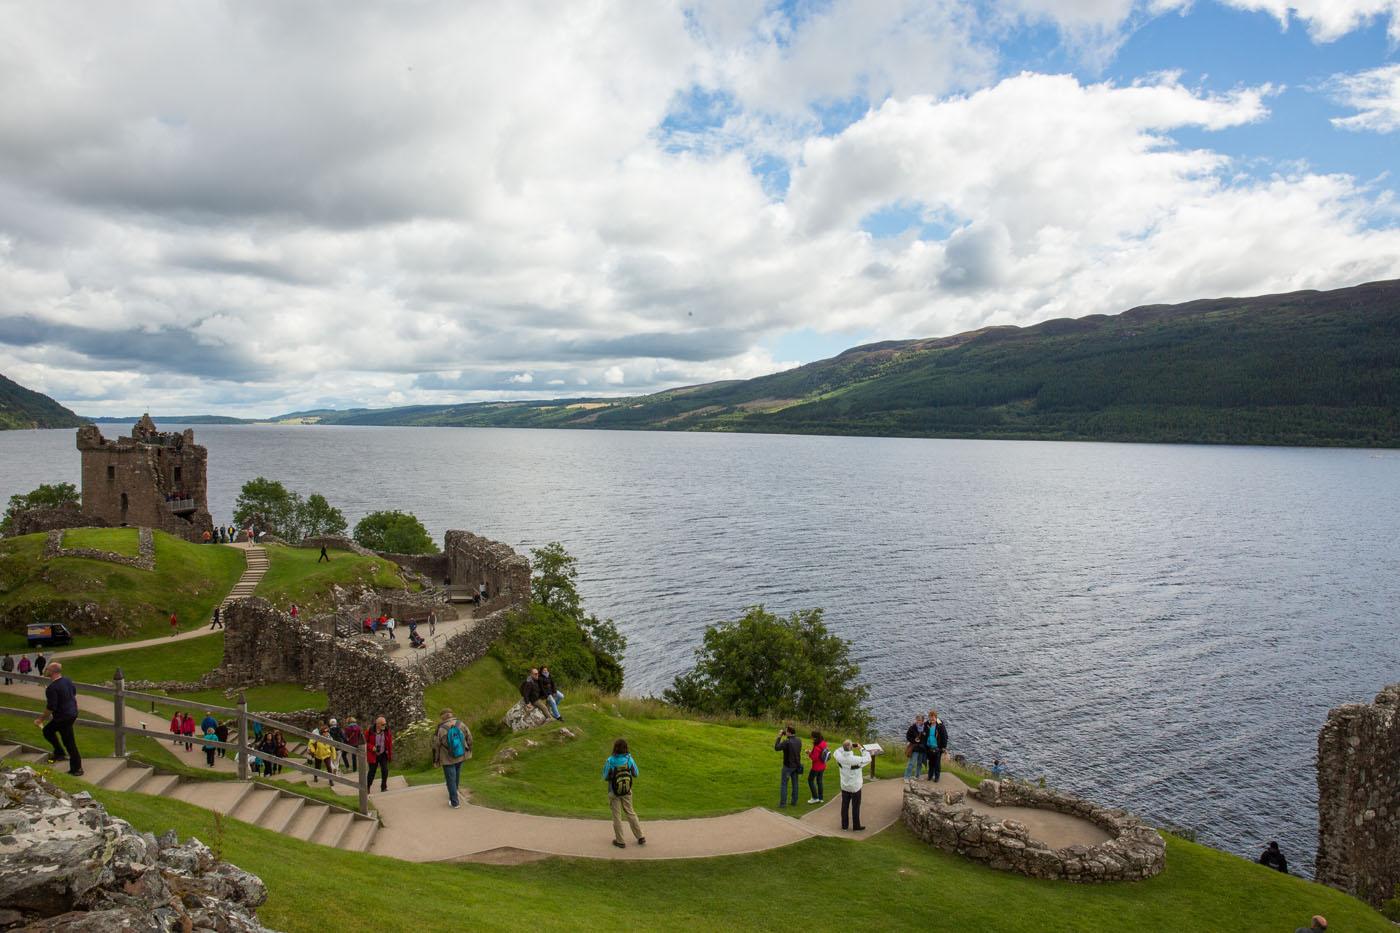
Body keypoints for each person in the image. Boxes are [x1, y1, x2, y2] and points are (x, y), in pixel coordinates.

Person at [34, 662, 82, 776]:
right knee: (49, 731)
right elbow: (73, 693)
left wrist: (40, 719)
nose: (45, 671)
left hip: (63, 717)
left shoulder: (52, 688)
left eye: (47, 669)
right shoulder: (67, 680)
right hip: (72, 714)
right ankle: (59, 753)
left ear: (52, 671)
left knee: (68, 742)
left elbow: (51, 707)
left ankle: (77, 769)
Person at [603, 738, 645, 848]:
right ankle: (640, 836)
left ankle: (620, 841)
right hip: (627, 791)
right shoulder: (629, 759)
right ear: (626, 748)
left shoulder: (610, 760)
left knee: (617, 816)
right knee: (630, 812)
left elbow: (605, 777)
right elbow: (636, 774)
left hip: (613, 791)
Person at [432, 708, 473, 808]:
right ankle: (455, 792)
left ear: (442, 717)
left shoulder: (440, 728)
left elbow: (436, 746)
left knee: (450, 779)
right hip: (461, 755)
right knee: (456, 776)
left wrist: (436, 760)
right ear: (451, 714)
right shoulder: (460, 724)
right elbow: (469, 738)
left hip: (447, 759)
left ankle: (455, 802)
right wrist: (469, 750)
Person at [833, 739, 872, 831]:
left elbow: (836, 751)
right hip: (855, 787)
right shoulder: (856, 760)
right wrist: (861, 748)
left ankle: (844, 826)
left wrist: (845, 746)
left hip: (844, 786)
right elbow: (868, 758)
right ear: (851, 748)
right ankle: (856, 826)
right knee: (856, 807)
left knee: (844, 806)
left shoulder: (839, 757)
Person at [774, 724, 802, 808]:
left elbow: (776, 748)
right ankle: (794, 802)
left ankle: (783, 804)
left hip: (788, 767)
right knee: (795, 784)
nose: (785, 732)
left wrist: (779, 736)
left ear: (789, 732)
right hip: (796, 765)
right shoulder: (799, 740)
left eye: (786, 731)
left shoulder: (787, 742)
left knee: (784, 785)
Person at [365, 716, 393, 792]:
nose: (385, 725)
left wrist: (389, 754)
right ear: (378, 724)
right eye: (383, 724)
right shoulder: (370, 731)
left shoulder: (387, 731)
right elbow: (365, 742)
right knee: (372, 772)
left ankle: (383, 787)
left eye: (385, 724)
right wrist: (372, 747)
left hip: (383, 753)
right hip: (373, 755)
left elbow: (389, 743)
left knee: (385, 770)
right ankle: (367, 787)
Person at [926, 710, 949, 782]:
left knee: (937, 764)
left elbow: (945, 737)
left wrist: (943, 747)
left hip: (937, 748)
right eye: (930, 717)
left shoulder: (940, 726)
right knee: (931, 763)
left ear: (936, 717)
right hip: (930, 747)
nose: (932, 718)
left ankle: (937, 777)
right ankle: (930, 775)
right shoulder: (928, 724)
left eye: (933, 717)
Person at [807, 730, 829, 804]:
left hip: (816, 767)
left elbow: (814, 758)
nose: (811, 738)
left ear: (815, 737)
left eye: (812, 736)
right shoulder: (823, 742)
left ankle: (815, 797)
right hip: (823, 765)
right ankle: (821, 798)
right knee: (819, 781)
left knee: (810, 780)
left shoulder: (817, 747)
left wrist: (809, 753)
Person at [904, 713, 927, 781]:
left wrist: (923, 744)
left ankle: (917, 776)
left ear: (923, 721)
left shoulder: (925, 728)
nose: (918, 721)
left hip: (921, 748)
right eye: (917, 720)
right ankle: (906, 777)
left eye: (920, 720)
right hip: (915, 748)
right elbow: (908, 736)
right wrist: (914, 741)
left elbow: (926, 738)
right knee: (911, 763)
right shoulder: (912, 727)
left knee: (919, 763)